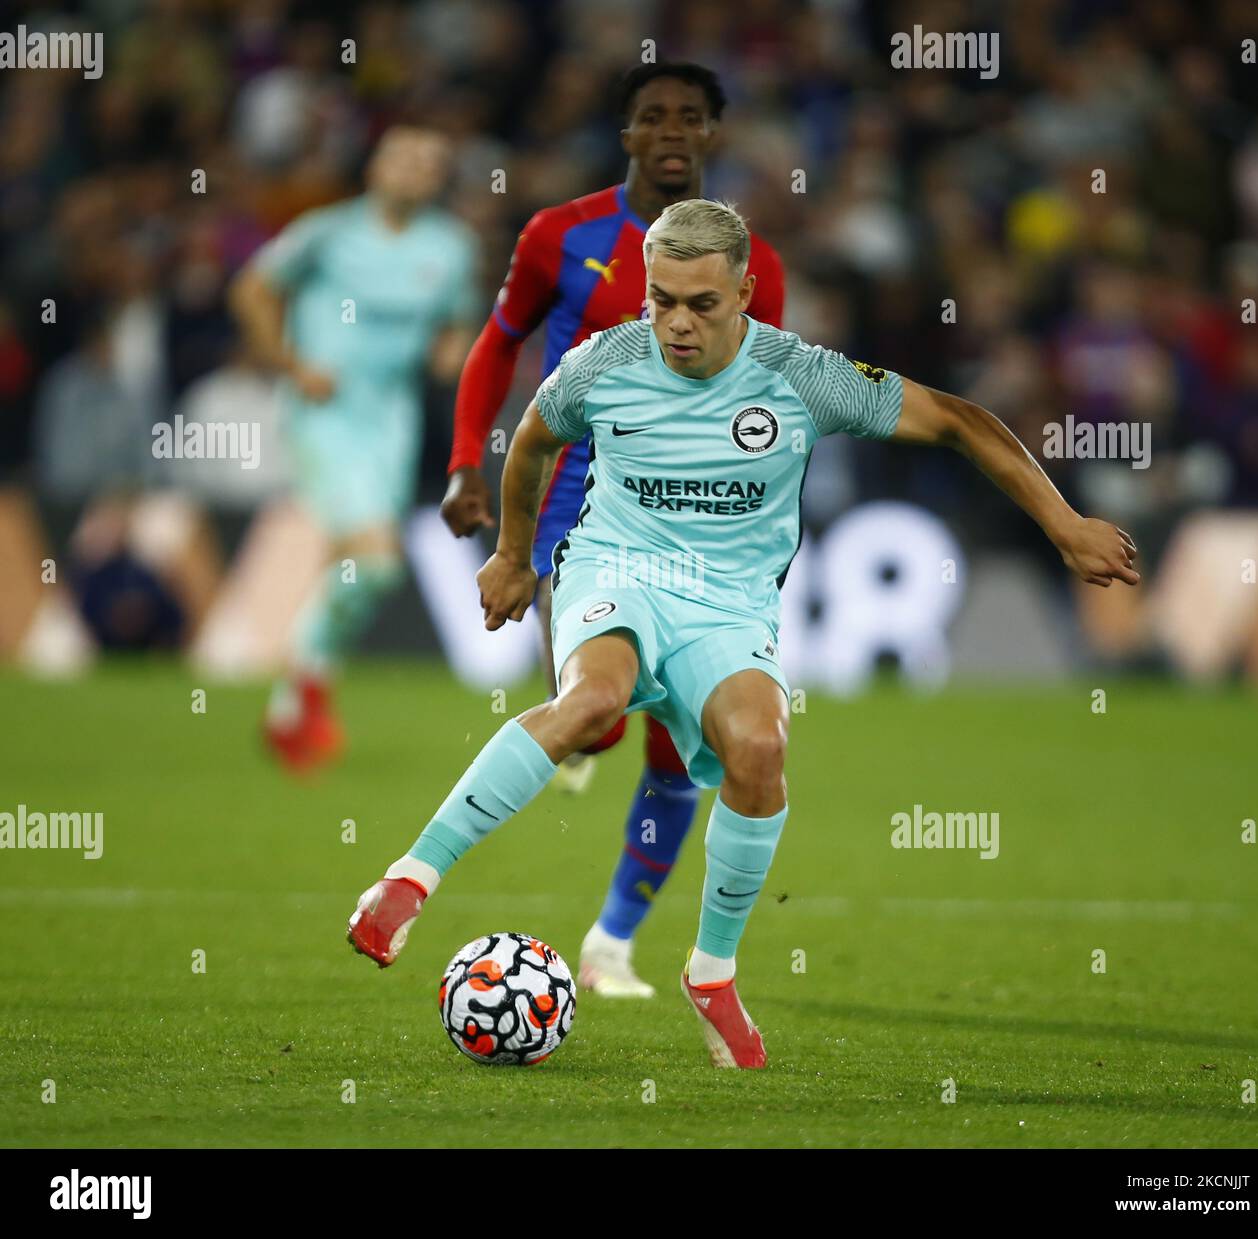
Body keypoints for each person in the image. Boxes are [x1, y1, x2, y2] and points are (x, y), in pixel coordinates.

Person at [348, 198, 1139, 1069]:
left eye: (701, 303)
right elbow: (533, 439)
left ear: (746, 293)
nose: (676, 323)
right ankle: (409, 878)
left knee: (761, 749)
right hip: (617, 567)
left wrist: (1062, 521)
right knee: (593, 700)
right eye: (660, 300)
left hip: (729, 604)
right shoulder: (601, 362)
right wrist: (511, 553)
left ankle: (712, 972)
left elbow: (955, 419)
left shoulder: (800, 374)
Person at [440, 62, 784, 997]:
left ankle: (613, 942)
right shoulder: (561, 234)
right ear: (627, 134)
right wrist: (467, 457)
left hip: (697, 522)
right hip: (571, 500)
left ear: (713, 133)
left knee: (683, 745)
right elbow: (498, 340)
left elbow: (768, 405)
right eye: (651, 117)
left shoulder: (753, 267)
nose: (672, 131)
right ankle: (582, 748)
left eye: (690, 117)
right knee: (592, 722)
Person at [229, 126, 479, 770]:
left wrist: (451, 354)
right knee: (374, 560)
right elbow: (252, 290)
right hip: (326, 412)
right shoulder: (327, 232)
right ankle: (304, 693)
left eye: (430, 161)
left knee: (363, 564)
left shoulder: (450, 247)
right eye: (403, 156)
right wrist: (289, 363)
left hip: (392, 418)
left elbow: (457, 319)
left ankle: (294, 706)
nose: (415, 169)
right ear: (374, 166)